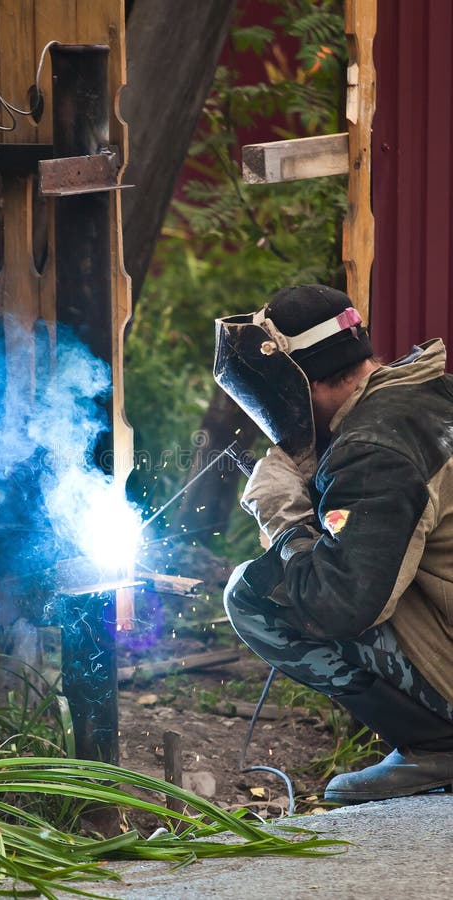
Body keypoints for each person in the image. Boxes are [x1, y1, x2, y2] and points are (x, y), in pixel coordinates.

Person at [214, 284, 453, 804]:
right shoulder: (424, 398)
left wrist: (284, 516)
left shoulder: (374, 450)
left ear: (304, 382)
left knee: (254, 597)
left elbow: (339, 606)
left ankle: (437, 746)